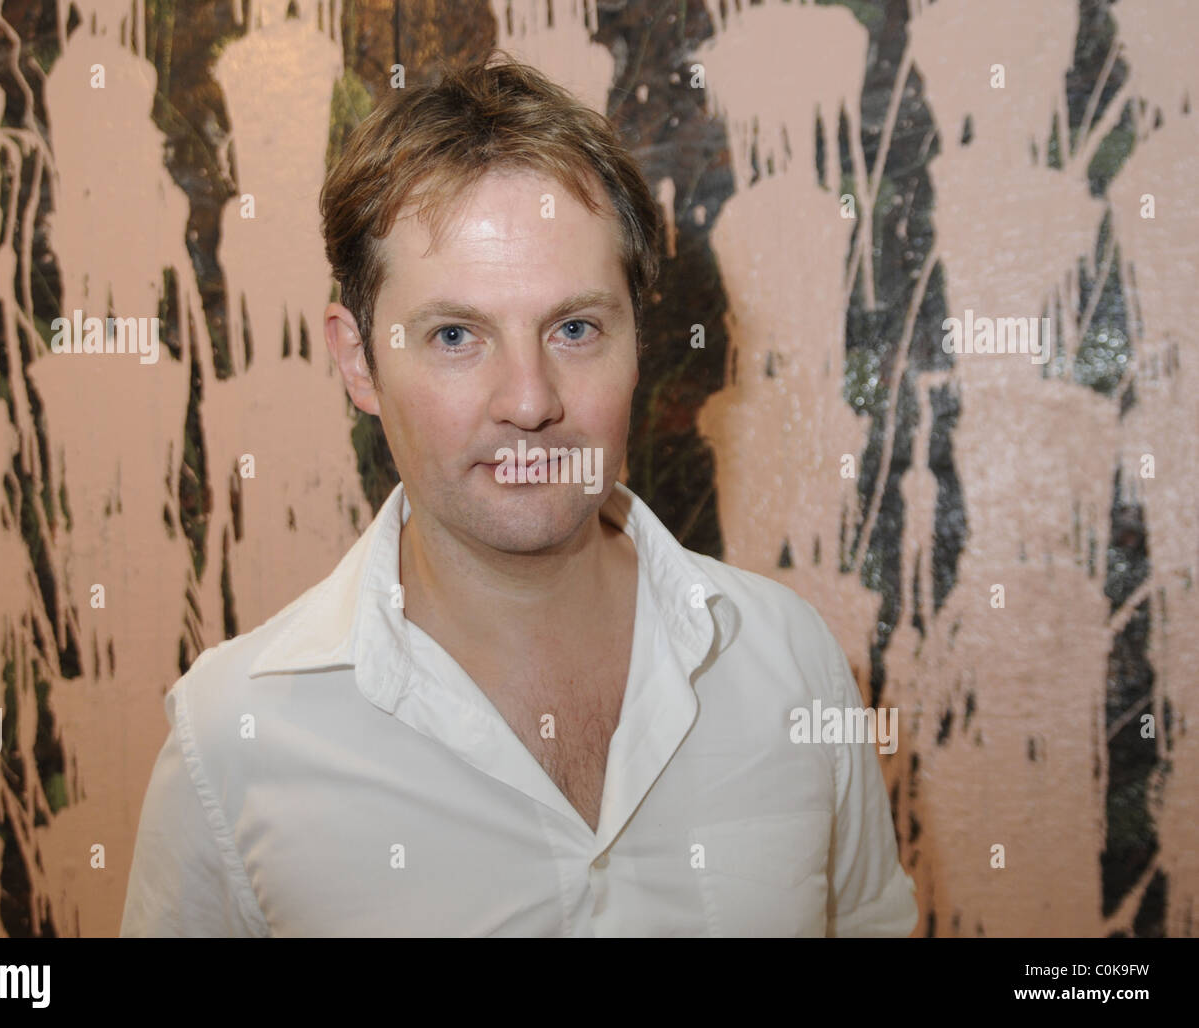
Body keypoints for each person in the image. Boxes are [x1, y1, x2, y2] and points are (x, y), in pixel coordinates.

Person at [120, 49, 919, 937]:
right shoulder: (232, 737)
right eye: (455, 336)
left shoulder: (790, 662)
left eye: (575, 328)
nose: (531, 402)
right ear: (358, 361)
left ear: (637, 340)